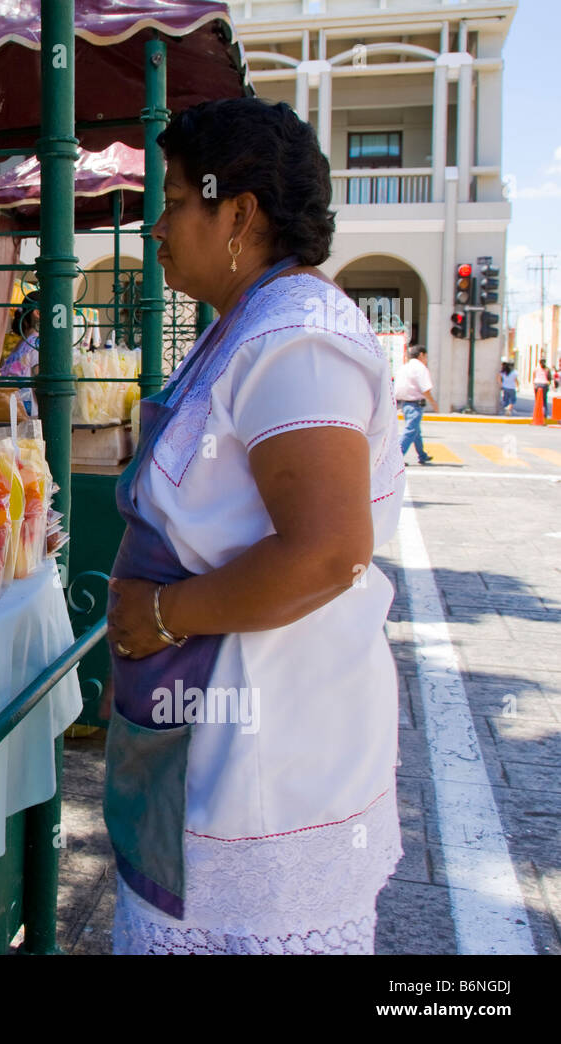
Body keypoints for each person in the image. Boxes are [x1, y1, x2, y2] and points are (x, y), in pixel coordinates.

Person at [103, 98, 404, 955]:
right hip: (219, 731)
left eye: (172, 201)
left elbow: (327, 552)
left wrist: (162, 617)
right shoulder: (247, 323)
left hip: (270, 758)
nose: (155, 227)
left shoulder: (297, 339)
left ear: (239, 212)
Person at [394, 345, 436, 464]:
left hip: (404, 403)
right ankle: (398, 456)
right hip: (415, 403)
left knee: (415, 431)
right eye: (426, 357)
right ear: (421, 355)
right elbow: (426, 389)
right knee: (411, 430)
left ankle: (422, 455)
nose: (426, 360)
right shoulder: (420, 368)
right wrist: (433, 403)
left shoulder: (404, 367)